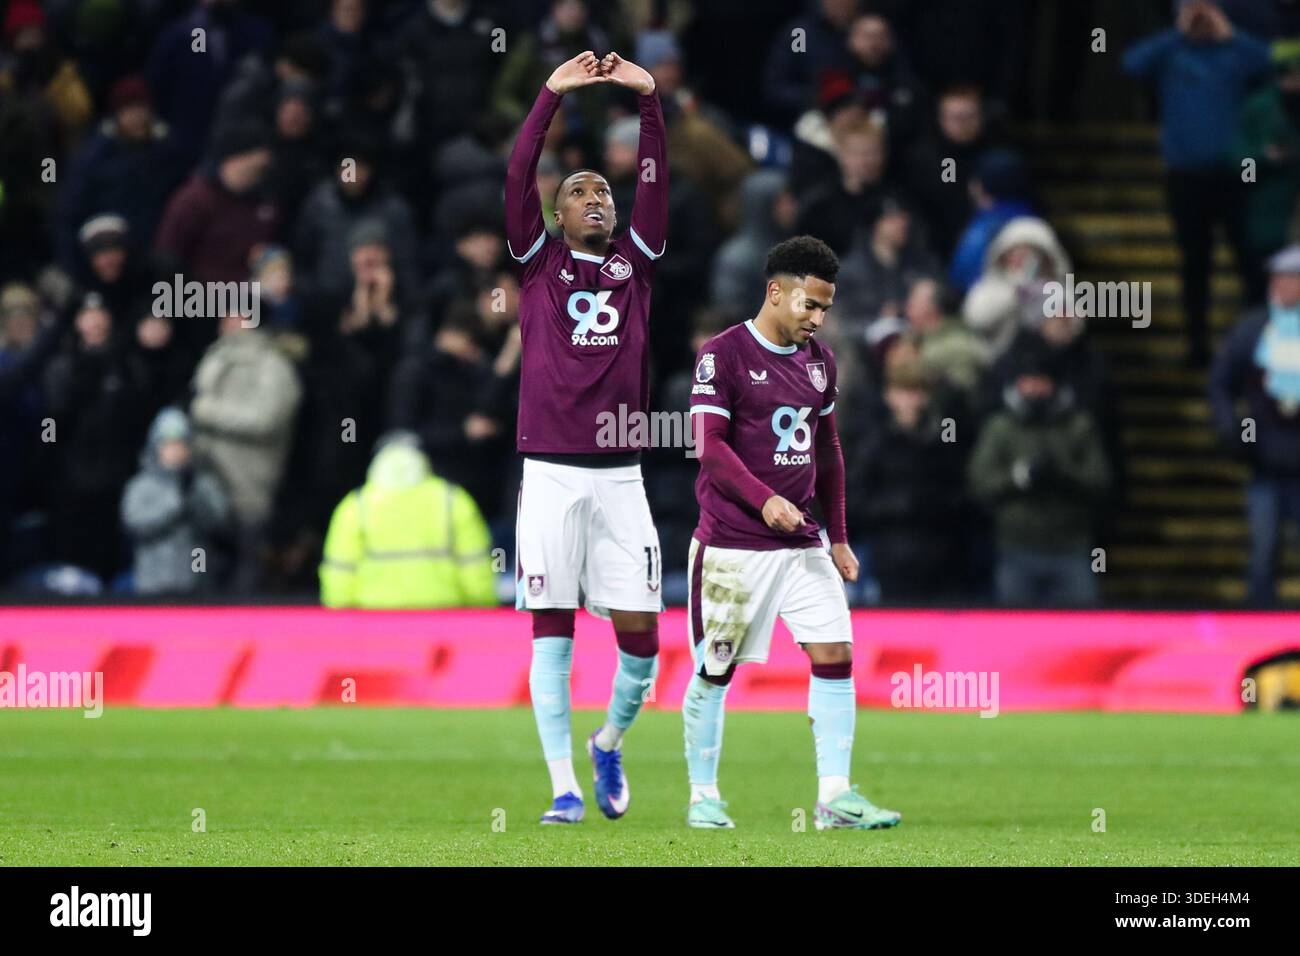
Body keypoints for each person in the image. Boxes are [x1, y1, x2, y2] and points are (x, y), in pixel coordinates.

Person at [683, 235, 902, 831]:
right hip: (732, 543)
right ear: (775, 292)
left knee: (835, 652)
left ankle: (835, 797)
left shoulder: (820, 362)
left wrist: (837, 535)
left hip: (801, 540)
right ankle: (703, 794)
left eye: (826, 308)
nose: (818, 318)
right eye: (810, 304)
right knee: (715, 668)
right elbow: (708, 446)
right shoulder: (721, 356)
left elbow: (827, 450)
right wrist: (765, 499)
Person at [506, 51, 666, 825]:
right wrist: (551, 96)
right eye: (579, 193)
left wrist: (648, 103)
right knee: (552, 632)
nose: (597, 198)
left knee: (644, 642)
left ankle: (609, 740)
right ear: (558, 216)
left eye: (603, 189)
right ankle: (563, 785)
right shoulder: (538, 269)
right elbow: (517, 175)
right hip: (550, 475)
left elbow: (656, 184)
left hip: (621, 474)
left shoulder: (636, 266)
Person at [1123, 0, 1271, 365]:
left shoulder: (1235, 51)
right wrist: (1178, 32)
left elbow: (1269, 63)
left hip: (1235, 176)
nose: (1201, 15)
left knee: (1250, 261)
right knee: (1195, 263)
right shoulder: (1172, 50)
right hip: (1186, 178)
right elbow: (1131, 63)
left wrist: (1230, 33)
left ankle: (1260, 340)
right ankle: (1196, 344)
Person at [968, 339, 1111, 607]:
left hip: (1071, 547)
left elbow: (1100, 481)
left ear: (1054, 384)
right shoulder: (1000, 427)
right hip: (1016, 547)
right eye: (1027, 380)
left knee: (1081, 629)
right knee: (1013, 632)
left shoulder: (1079, 426)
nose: (1033, 388)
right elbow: (980, 483)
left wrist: (1063, 475)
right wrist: (1019, 477)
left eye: (1040, 380)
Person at [1209, 245, 1300, 605]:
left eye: (1291, 279)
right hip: (1266, 466)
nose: (1282, 285)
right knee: (1264, 552)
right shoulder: (1253, 329)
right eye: (1278, 278)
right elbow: (1220, 382)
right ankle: (1259, 622)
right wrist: (1234, 430)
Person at [319, 433, 498, 608]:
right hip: (444, 620)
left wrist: (341, 615)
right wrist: (482, 608)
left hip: (373, 620)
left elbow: (339, 573)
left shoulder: (356, 505)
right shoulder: (453, 500)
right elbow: (476, 568)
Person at [121, 407, 233, 596]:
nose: (175, 451)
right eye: (168, 444)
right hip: (153, 582)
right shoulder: (141, 485)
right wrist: (175, 504)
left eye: (180, 444)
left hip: (196, 581)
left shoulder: (202, 483)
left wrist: (194, 496)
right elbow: (135, 523)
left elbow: (218, 522)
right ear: (156, 446)